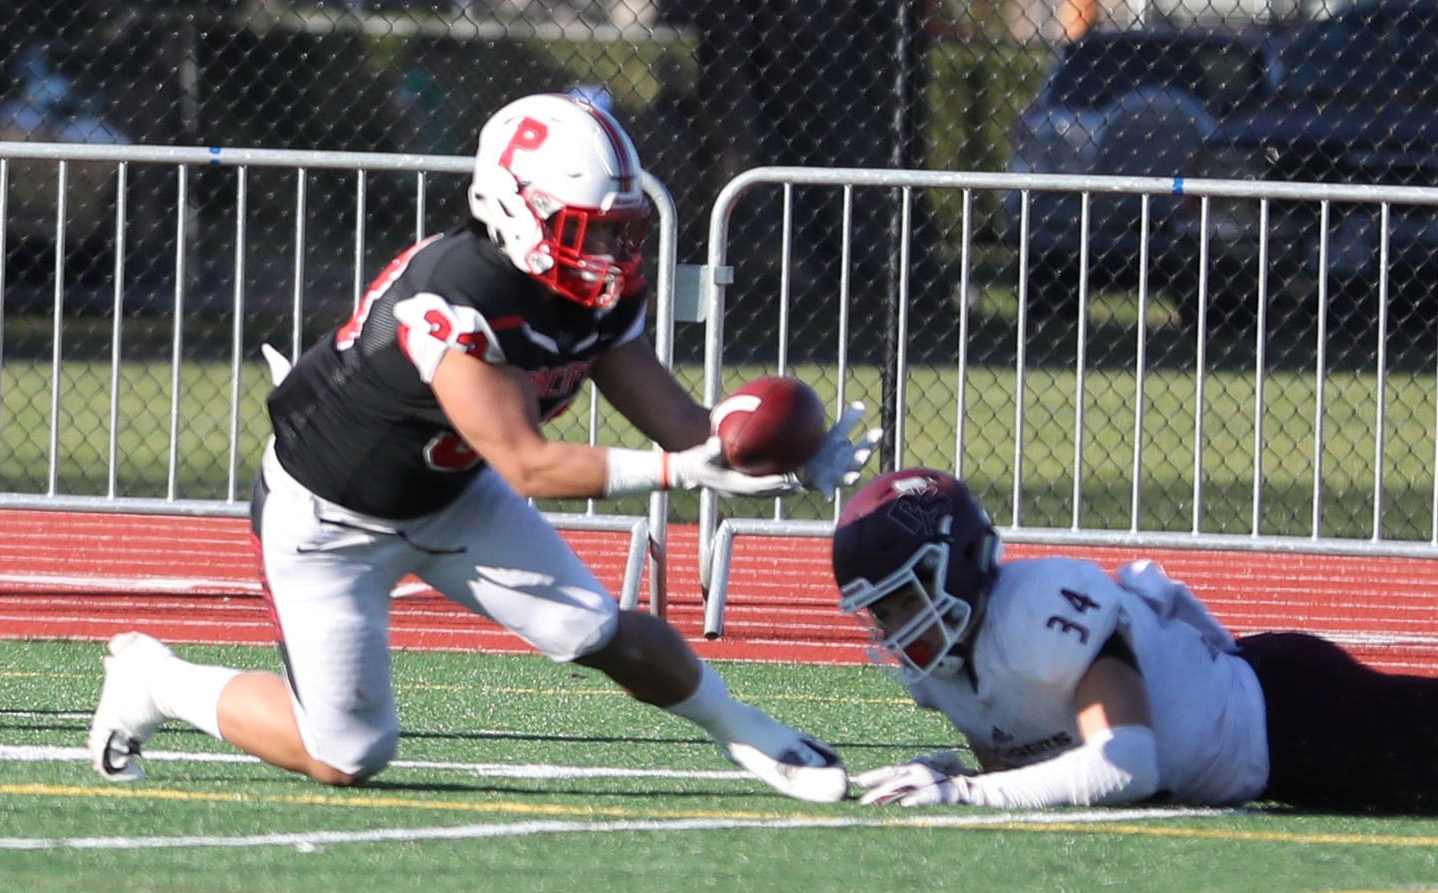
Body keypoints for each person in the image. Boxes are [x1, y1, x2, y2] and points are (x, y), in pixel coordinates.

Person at [86, 93, 881, 804]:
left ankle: (749, 734)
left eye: (619, 228)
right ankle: (157, 680)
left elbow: (677, 419)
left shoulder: (591, 289)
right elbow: (528, 464)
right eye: (588, 228)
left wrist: (772, 456)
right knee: (347, 755)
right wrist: (680, 471)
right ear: (513, 210)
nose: (609, 250)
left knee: (594, 631)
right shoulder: (453, 297)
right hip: (331, 521)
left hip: (453, 497)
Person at [830, 467, 1438, 813]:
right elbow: (1034, 767)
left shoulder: (1039, 609)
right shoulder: (943, 669)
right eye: (881, 611)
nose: (896, 627)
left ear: (960, 562)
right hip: (1271, 755)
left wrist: (963, 794)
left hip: (1299, 717)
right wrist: (952, 775)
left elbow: (1128, 765)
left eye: (907, 597)